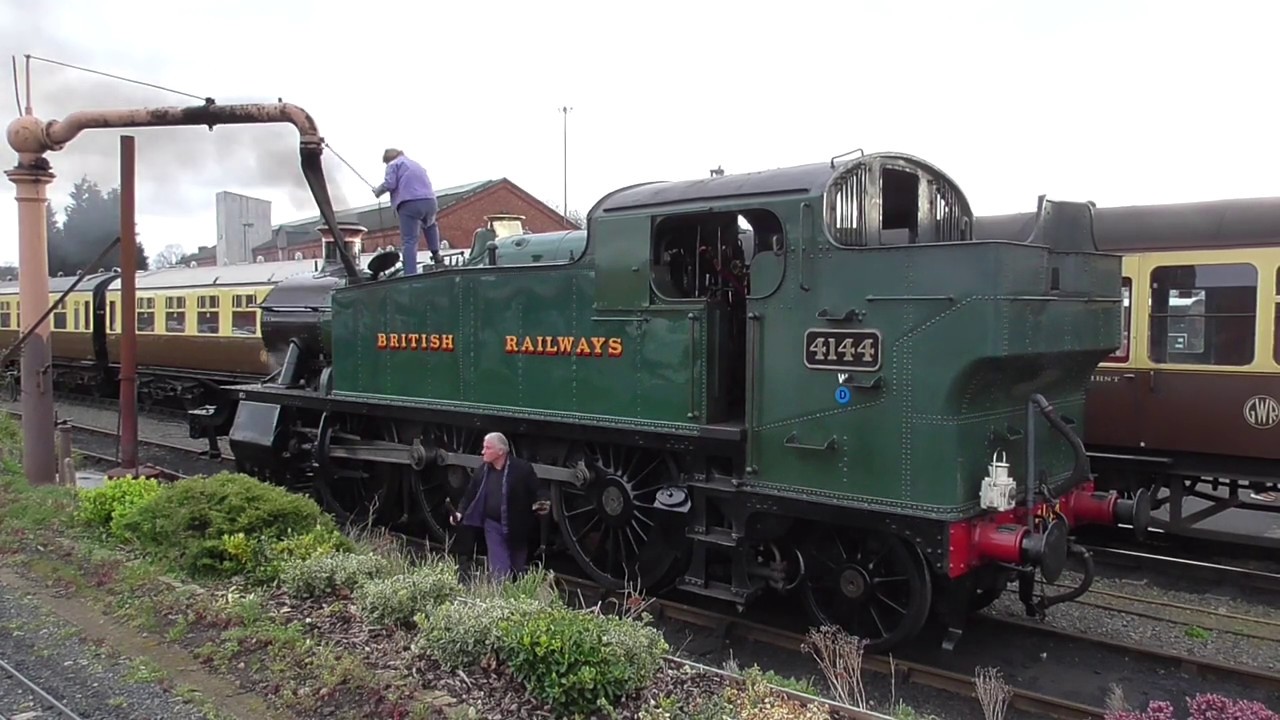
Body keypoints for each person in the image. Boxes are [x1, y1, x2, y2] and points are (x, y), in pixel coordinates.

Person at [451, 432, 550, 579]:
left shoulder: (522, 470)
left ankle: (515, 596)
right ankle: (499, 594)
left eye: (487, 448)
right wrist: (459, 512)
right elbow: (470, 495)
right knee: (500, 572)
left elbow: (538, 489)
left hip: (517, 527)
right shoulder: (481, 472)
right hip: (493, 526)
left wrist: (542, 501)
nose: (483, 452)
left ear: (500, 451)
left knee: (517, 569)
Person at [372, 148, 442, 274]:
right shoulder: (416, 164)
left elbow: (390, 184)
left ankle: (410, 274)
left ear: (388, 159)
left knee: (409, 240)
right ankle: (437, 257)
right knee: (430, 226)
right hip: (430, 201)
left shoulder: (394, 164)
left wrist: (378, 191)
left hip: (409, 202)